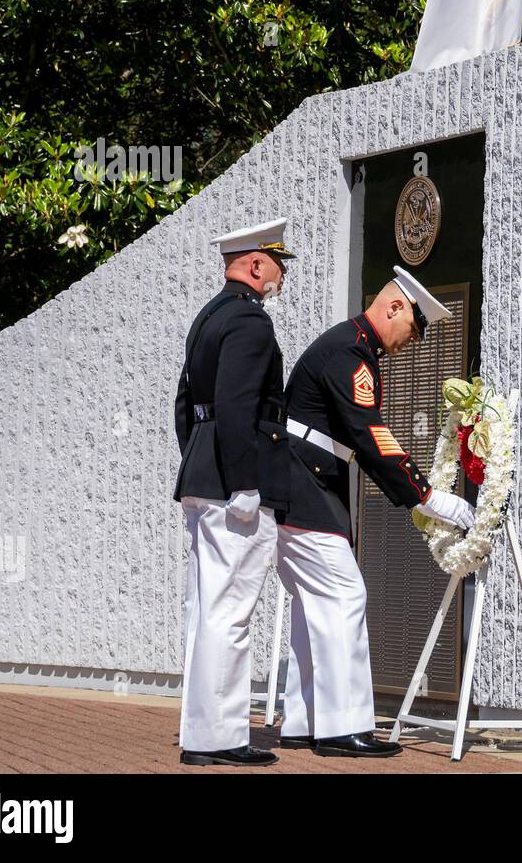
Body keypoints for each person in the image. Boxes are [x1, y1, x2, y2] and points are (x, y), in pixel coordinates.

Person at [275, 264, 476, 758]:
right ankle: (343, 729)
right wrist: (428, 496)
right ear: (392, 307)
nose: (409, 342)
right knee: (344, 599)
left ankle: (306, 721)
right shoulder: (352, 352)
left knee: (313, 610)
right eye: (411, 329)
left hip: (300, 482)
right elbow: (370, 436)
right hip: (307, 487)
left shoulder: (351, 346)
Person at [172, 217, 295, 766]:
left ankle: (202, 731)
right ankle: (220, 738)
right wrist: (245, 481)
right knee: (230, 612)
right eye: (276, 264)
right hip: (233, 485)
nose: (281, 274)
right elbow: (240, 407)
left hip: (204, 478)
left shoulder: (208, 317)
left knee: (207, 609)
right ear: (252, 264)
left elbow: (185, 405)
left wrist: (198, 463)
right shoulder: (250, 322)